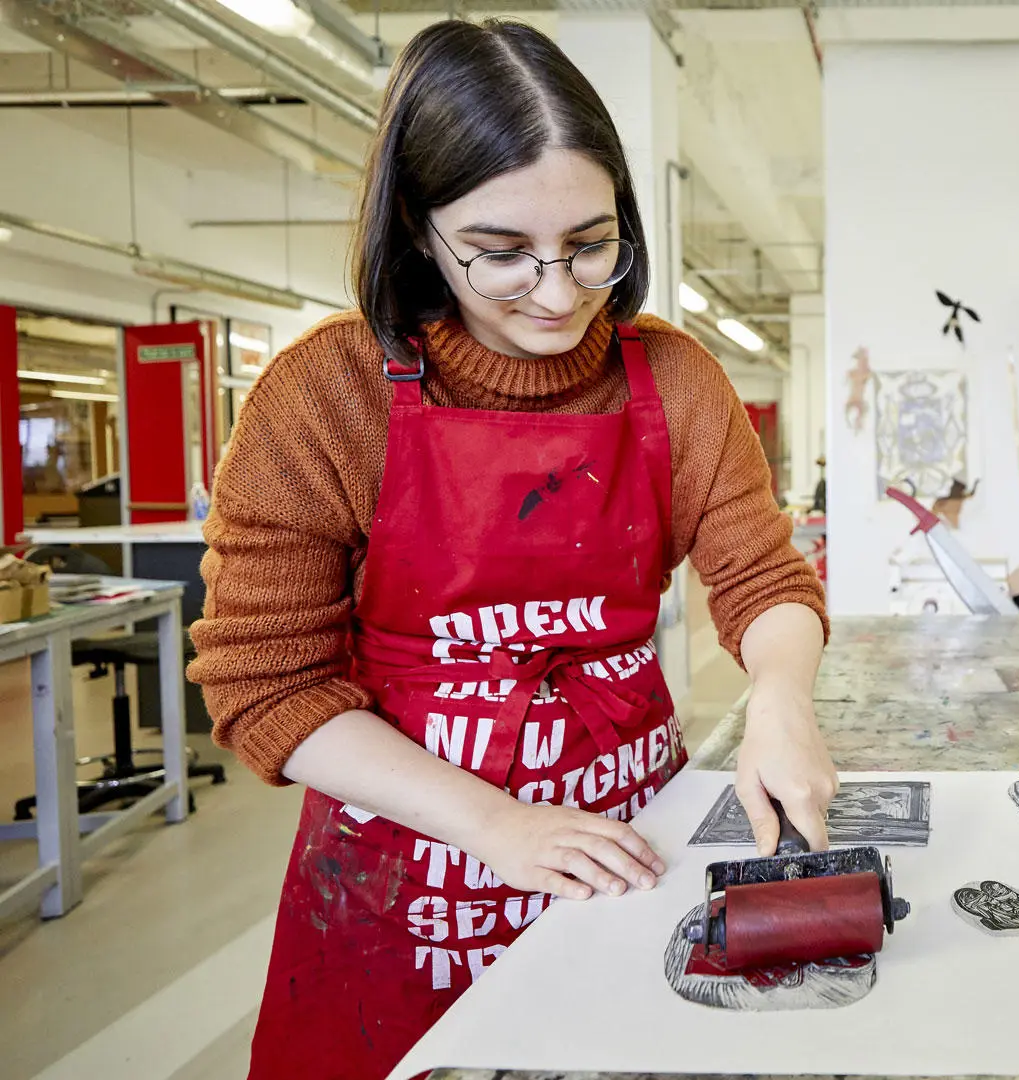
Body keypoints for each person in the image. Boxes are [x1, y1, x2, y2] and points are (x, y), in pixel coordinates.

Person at [187, 20, 837, 1078]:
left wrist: (779, 698)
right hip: (407, 883)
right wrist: (495, 823)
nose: (556, 291)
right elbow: (266, 687)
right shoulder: (325, 397)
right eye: (500, 254)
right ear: (416, 226)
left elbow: (762, 577)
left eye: (591, 242)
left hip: (633, 846)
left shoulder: (673, 381)